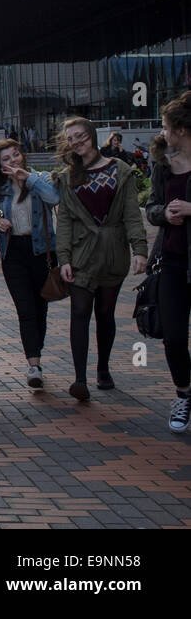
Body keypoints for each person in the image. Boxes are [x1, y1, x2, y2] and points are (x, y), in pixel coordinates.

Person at [54, 116, 148, 401]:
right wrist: (64, 258)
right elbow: (66, 220)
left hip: (112, 253)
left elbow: (132, 214)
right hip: (82, 254)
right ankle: (80, 379)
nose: (76, 142)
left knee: (105, 313)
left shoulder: (119, 170)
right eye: (71, 138)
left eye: (80, 135)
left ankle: (103, 369)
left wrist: (140, 249)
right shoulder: (69, 175)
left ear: (93, 136)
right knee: (79, 312)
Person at [0, 139, 59, 389]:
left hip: (42, 251)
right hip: (14, 252)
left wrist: (27, 178)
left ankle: (35, 349)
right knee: (26, 309)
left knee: (41, 309)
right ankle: (34, 364)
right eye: (6, 159)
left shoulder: (40, 179)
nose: (13, 162)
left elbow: (54, 197)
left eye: (16, 155)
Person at [147, 91, 191, 431]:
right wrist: (165, 213)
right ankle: (183, 393)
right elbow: (151, 208)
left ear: (181, 129)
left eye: (165, 126)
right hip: (171, 261)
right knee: (174, 336)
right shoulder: (162, 165)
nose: (162, 133)